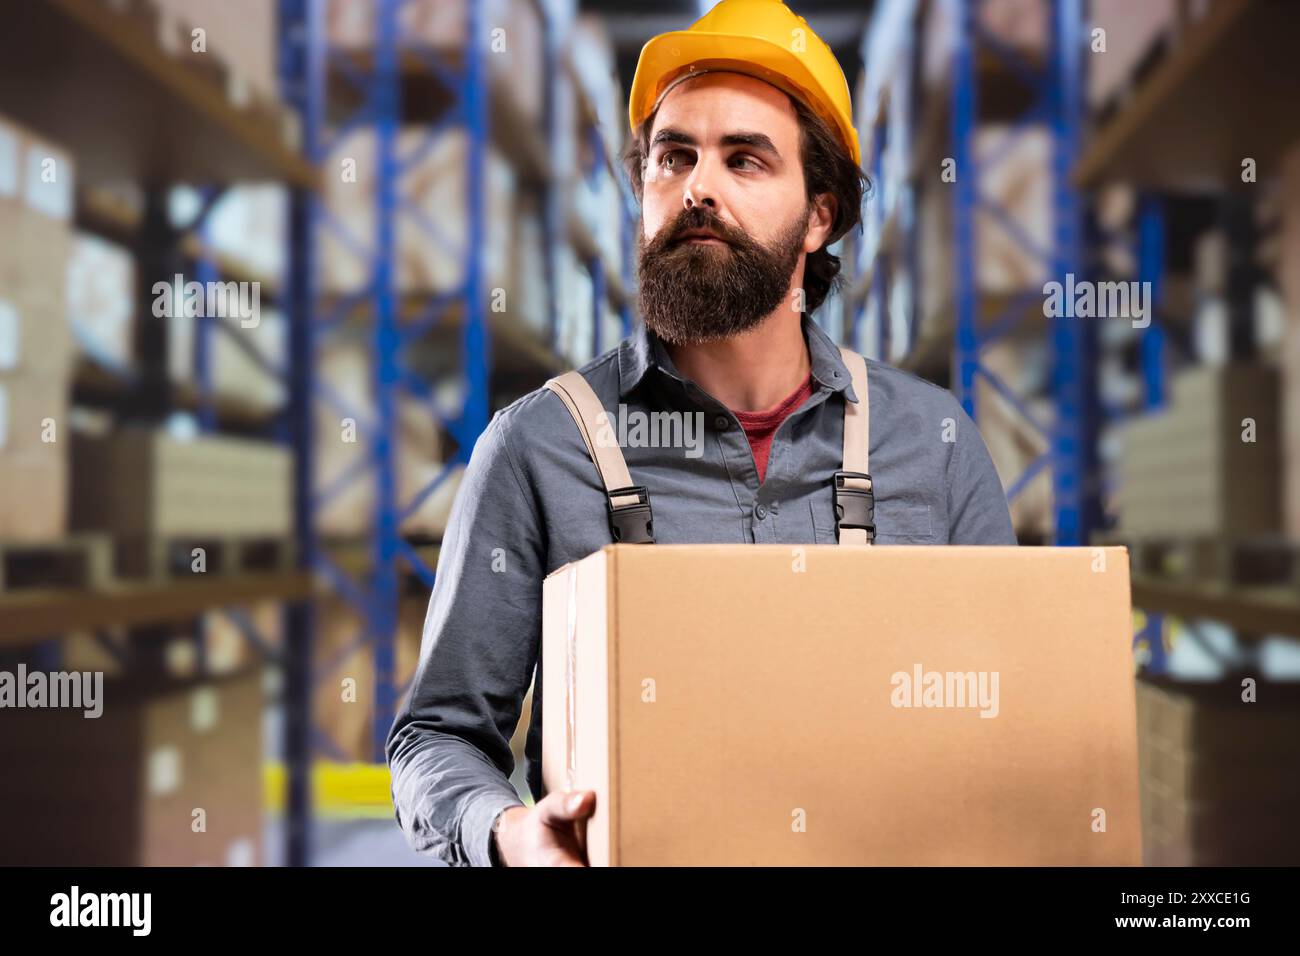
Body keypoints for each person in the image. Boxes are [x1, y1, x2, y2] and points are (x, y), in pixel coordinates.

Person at [386, 0, 1015, 867]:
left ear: (820, 215)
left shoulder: (934, 444)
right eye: (672, 156)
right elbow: (437, 734)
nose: (697, 188)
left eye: (744, 159)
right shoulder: (539, 448)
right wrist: (508, 831)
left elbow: (1005, 717)